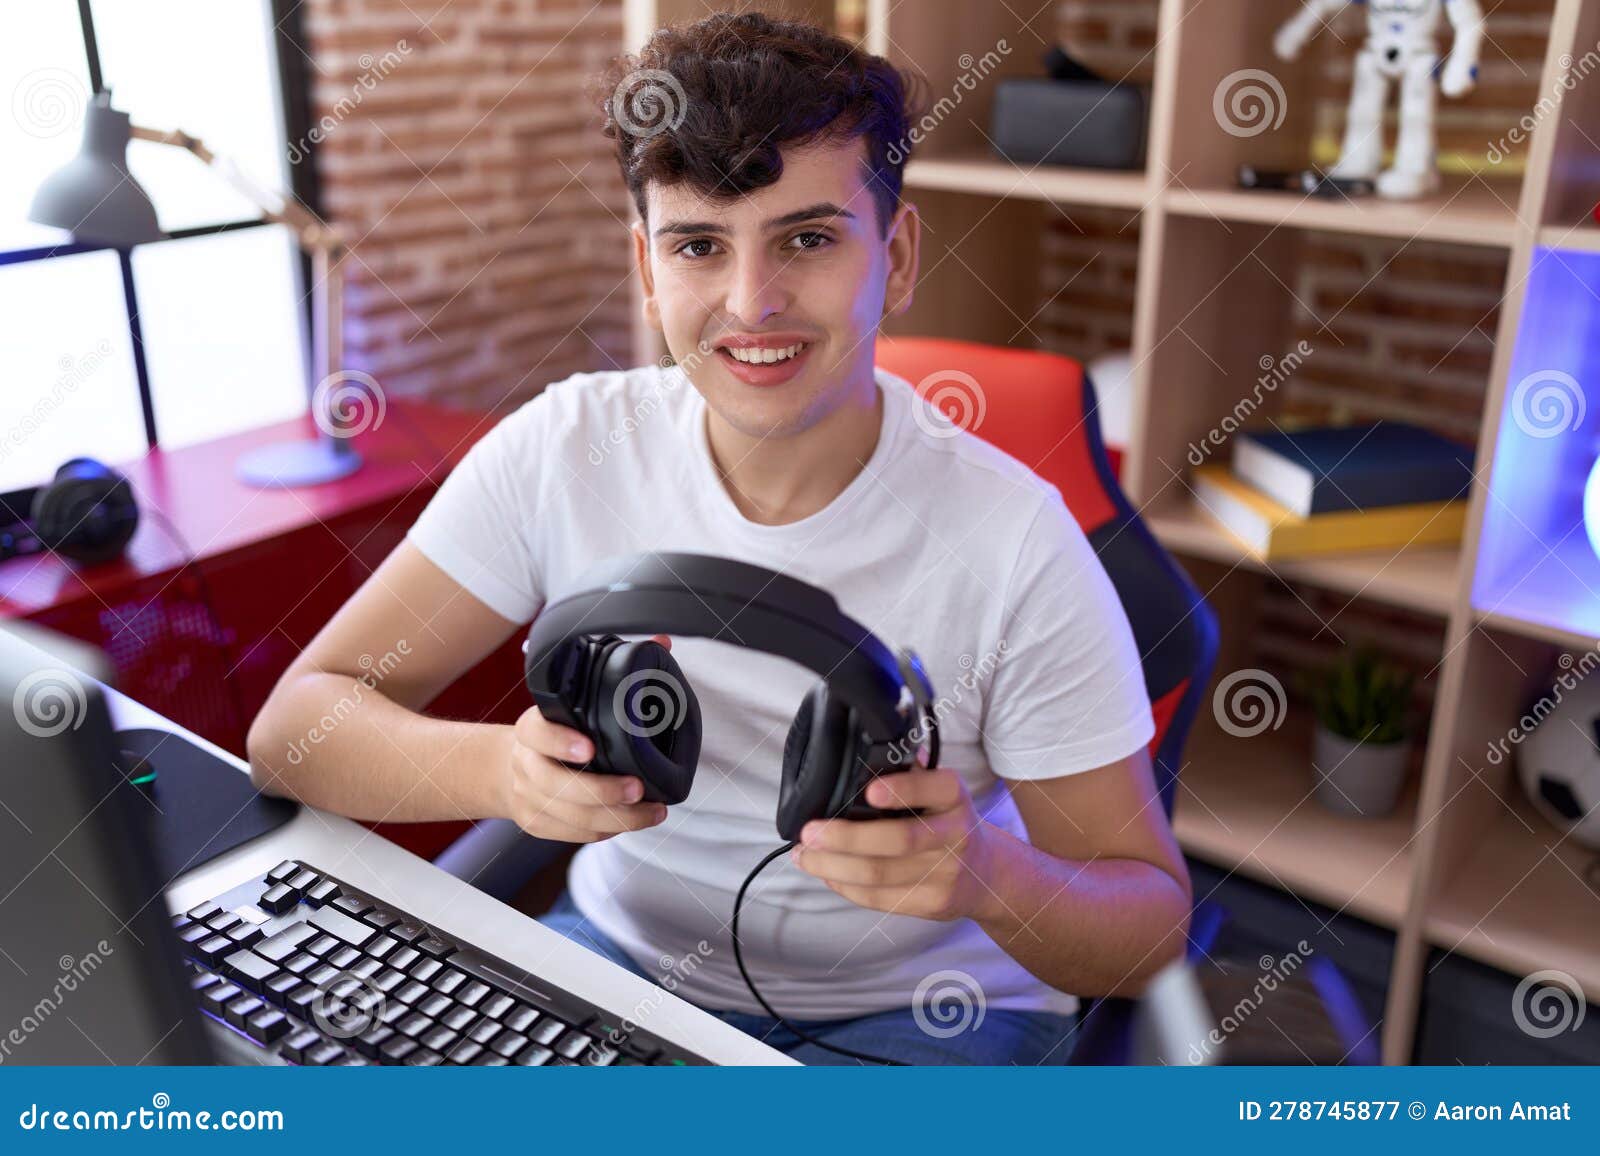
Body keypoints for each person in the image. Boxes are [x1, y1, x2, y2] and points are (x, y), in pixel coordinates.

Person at [247, 11, 1191, 1066]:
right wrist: (501, 774)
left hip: (920, 1016)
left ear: (900, 251)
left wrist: (984, 876)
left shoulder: (1014, 539)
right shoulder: (564, 447)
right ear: (648, 271)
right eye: (699, 245)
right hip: (619, 969)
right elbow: (294, 731)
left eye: (807, 238)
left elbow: (1147, 928)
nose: (752, 303)